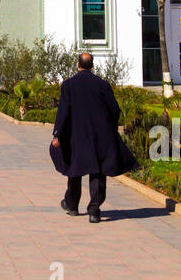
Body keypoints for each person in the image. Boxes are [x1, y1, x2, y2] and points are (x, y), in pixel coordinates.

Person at [50, 52, 138, 223]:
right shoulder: (102, 84)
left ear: (78, 65)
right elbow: (114, 109)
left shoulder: (69, 85)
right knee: (97, 171)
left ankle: (72, 205)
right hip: (99, 135)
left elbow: (63, 112)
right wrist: (109, 127)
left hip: (76, 135)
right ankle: (94, 210)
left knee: (74, 170)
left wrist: (58, 134)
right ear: (92, 65)